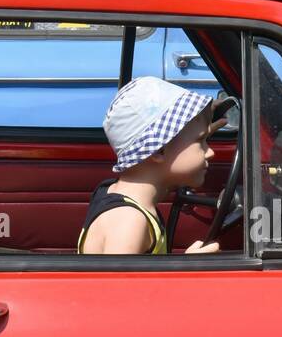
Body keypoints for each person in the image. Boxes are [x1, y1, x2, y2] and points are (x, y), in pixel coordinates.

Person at [78, 78, 231, 255]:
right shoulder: (129, 221)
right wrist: (187, 270)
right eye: (201, 142)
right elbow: (115, 284)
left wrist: (197, 128)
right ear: (158, 150)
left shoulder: (111, 192)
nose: (210, 152)